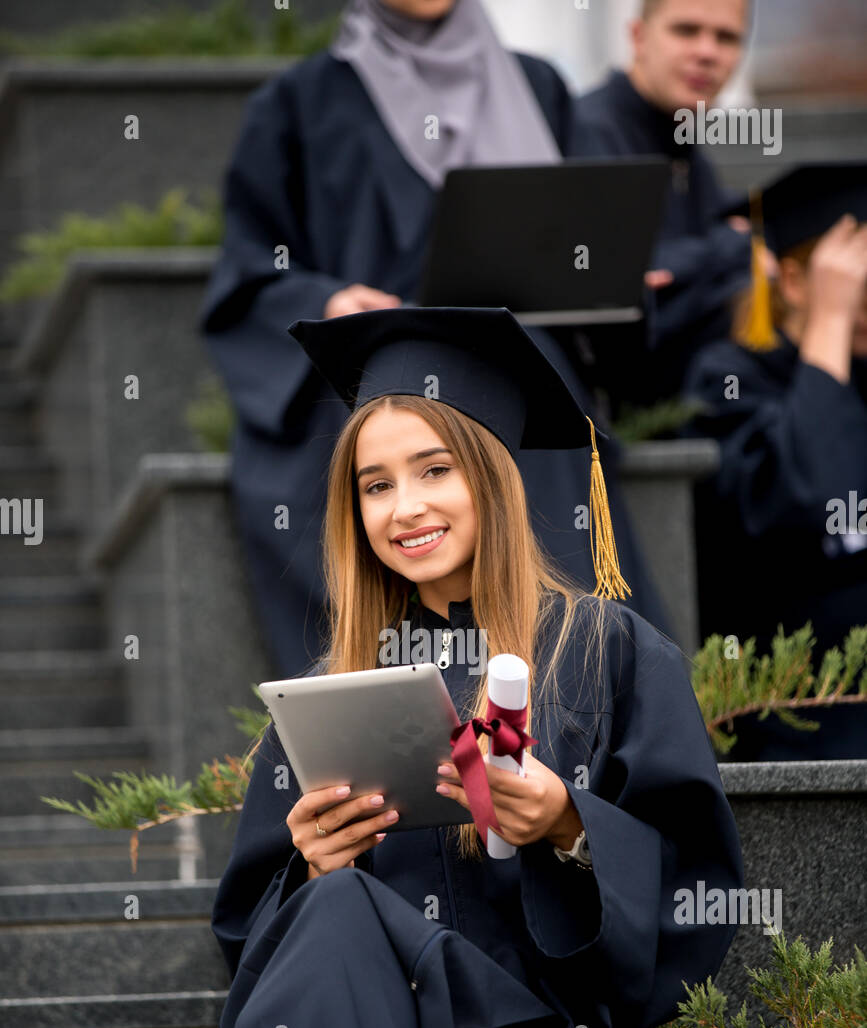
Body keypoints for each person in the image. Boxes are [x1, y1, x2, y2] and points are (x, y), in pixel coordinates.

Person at [209, 305, 744, 1028]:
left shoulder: (606, 653)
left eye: (432, 470)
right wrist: (313, 865)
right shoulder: (333, 696)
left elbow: (697, 892)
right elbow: (252, 944)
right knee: (323, 909)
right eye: (374, 484)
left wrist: (573, 829)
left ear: (492, 475)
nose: (402, 505)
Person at [198, 0, 672, 682]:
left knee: (546, 479)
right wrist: (325, 299)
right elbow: (248, 269)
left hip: (514, 375)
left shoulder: (536, 86)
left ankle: (579, 704)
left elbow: (583, 231)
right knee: (377, 455)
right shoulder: (298, 103)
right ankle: (406, 718)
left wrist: (607, 274)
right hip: (375, 375)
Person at [682, 163, 867, 760]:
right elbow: (812, 492)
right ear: (793, 281)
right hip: (801, 719)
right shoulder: (730, 379)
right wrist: (831, 323)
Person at [574, 0, 753, 410]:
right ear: (639, 37)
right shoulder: (589, 133)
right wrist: (730, 245)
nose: (707, 53)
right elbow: (622, 287)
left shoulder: (686, 145)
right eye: (686, 31)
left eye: (727, 38)